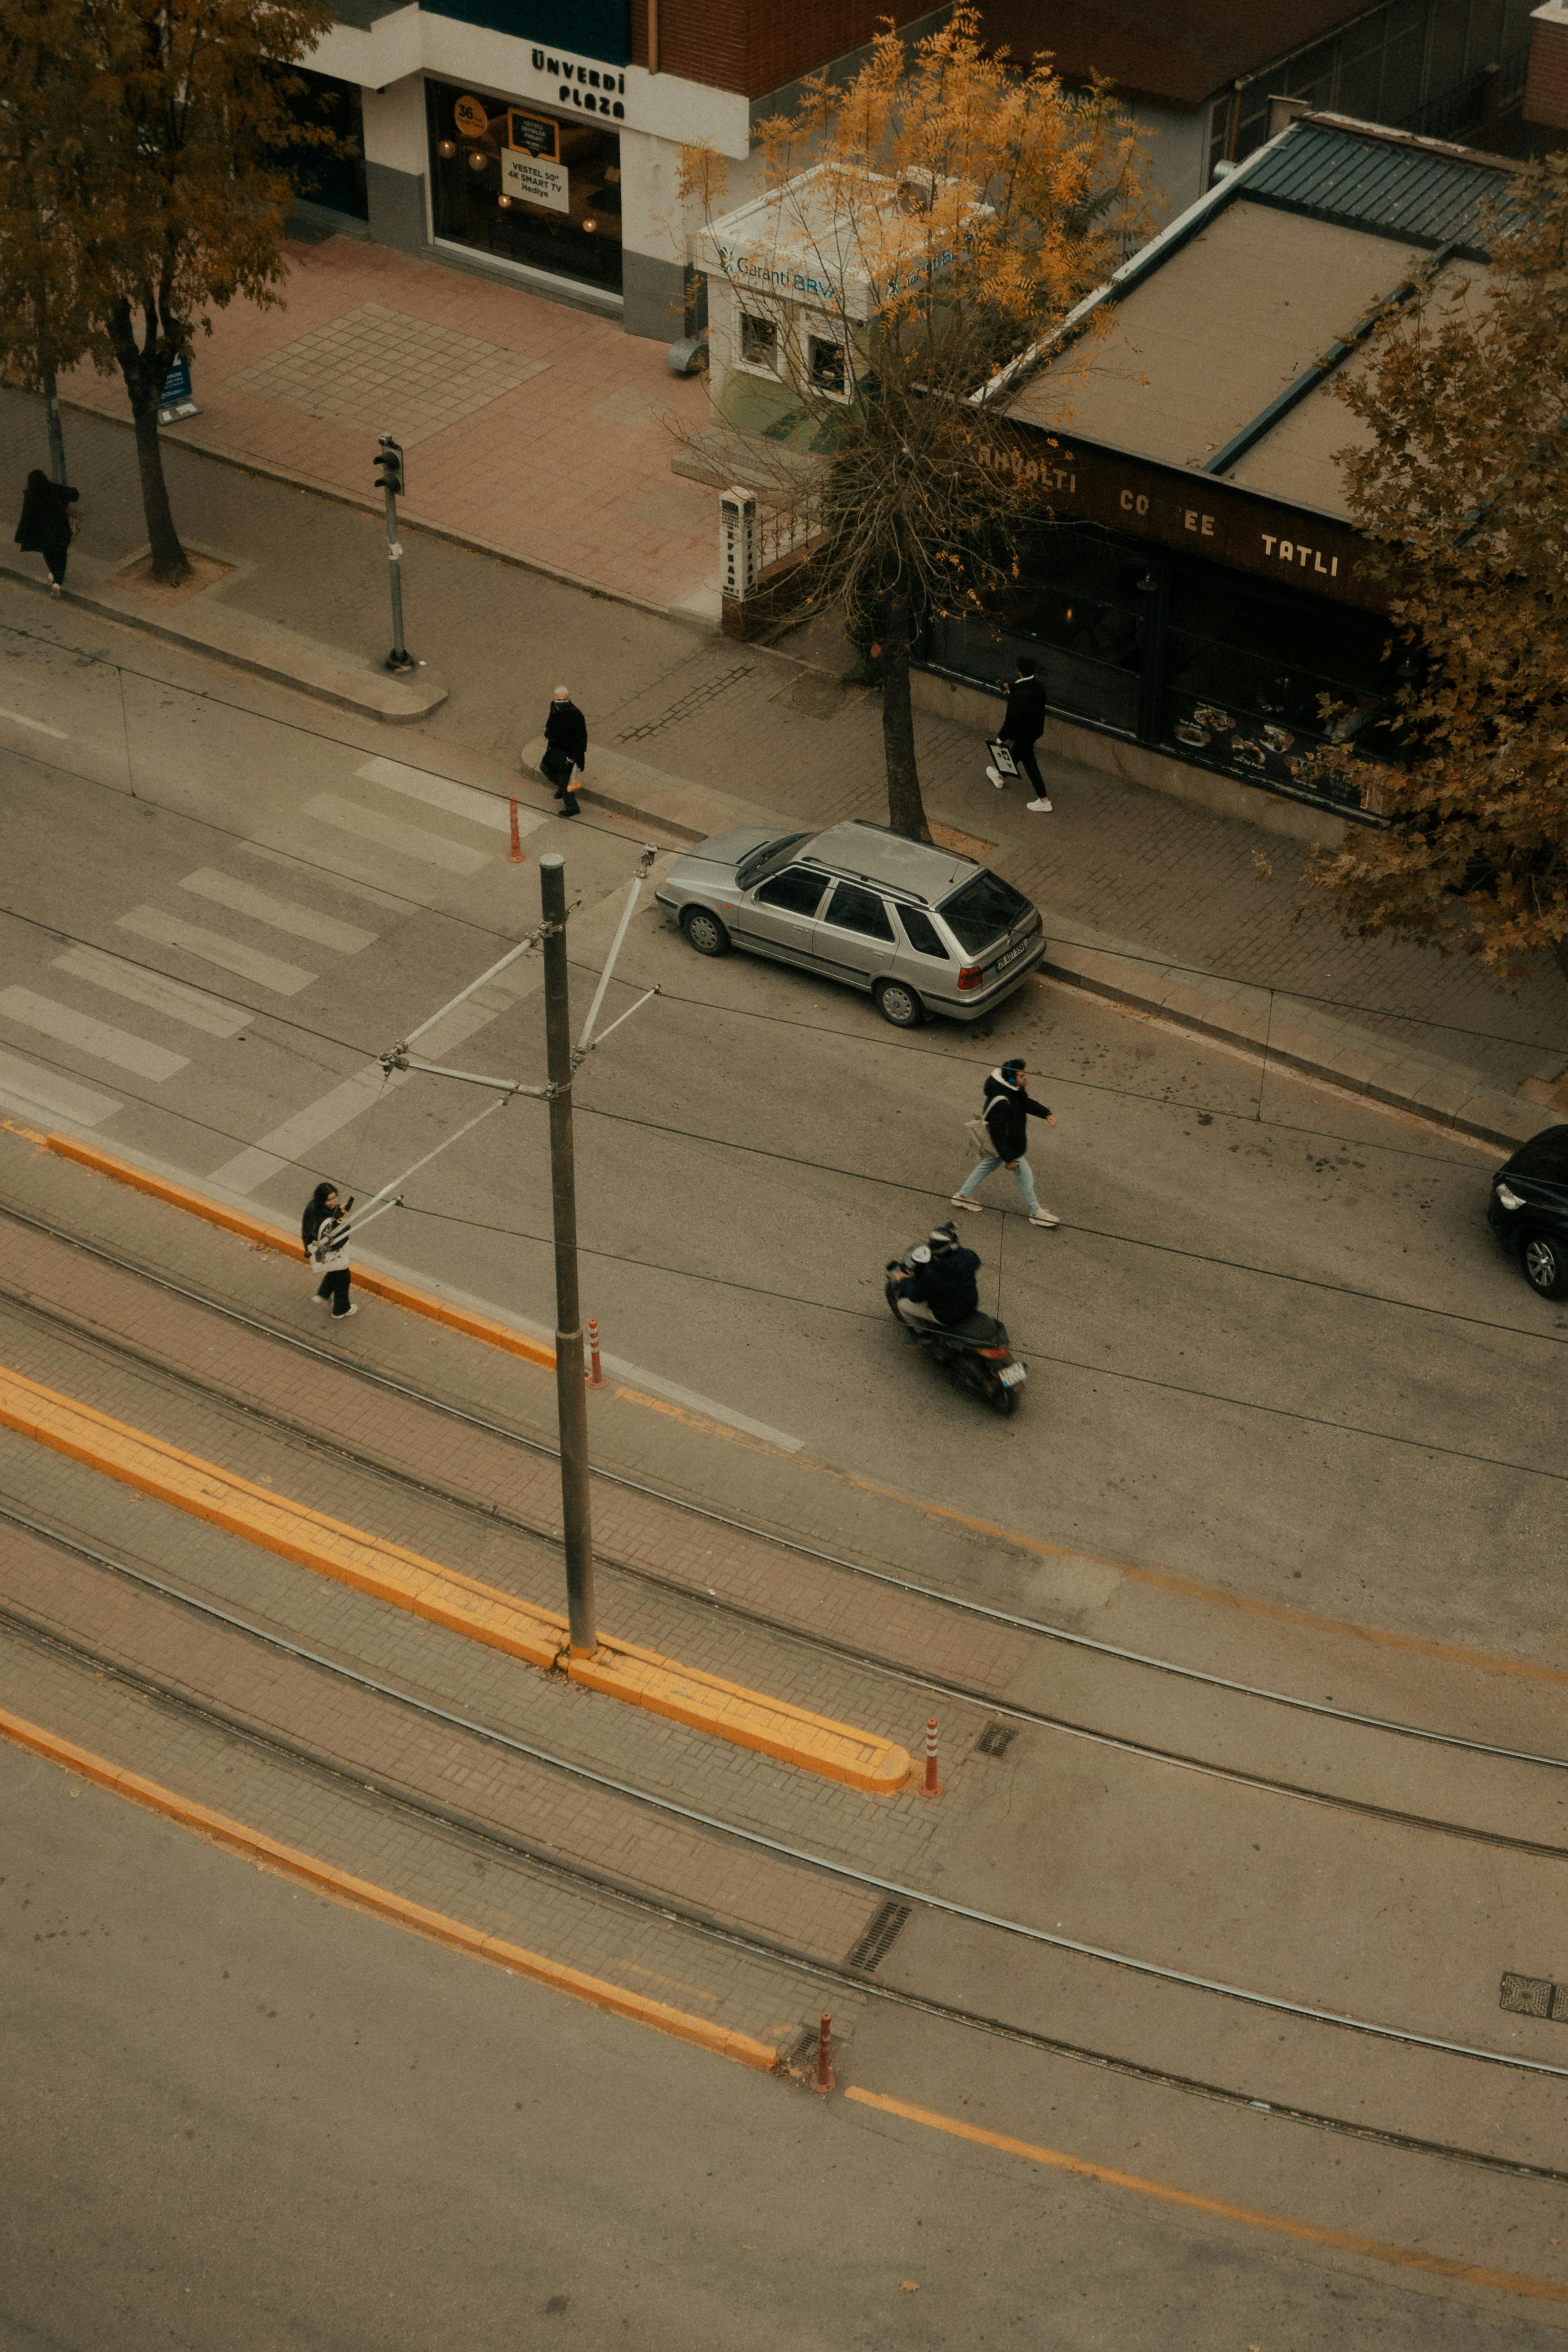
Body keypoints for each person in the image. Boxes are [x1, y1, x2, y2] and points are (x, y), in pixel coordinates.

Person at [952, 1059, 1060, 1227]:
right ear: (1012, 1079)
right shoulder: (1002, 1103)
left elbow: (1025, 1103)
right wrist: (1009, 1159)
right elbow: (998, 1135)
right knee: (1026, 1178)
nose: (1026, 1078)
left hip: (1005, 1146)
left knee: (987, 1166)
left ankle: (962, 1197)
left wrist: (1046, 1114)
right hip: (1007, 1146)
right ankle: (1036, 1213)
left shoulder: (1014, 1090)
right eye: (1022, 1075)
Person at [986, 656, 1053, 814]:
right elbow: (1027, 689)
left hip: (1023, 733)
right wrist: (1012, 688)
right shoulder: (1039, 687)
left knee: (1030, 764)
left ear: (1019, 673)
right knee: (1023, 756)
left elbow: (1011, 720)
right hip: (1035, 731)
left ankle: (1044, 800)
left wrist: (1000, 739)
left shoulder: (1020, 695)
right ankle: (1000, 777)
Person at [895, 1224, 982, 1327]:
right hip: (971, 1304)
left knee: (902, 1305)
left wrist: (904, 1281)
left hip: (947, 1316)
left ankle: (921, 1335)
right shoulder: (967, 1256)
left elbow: (915, 1296)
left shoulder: (936, 1273)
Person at [14, 468, 79, 597]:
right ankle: (57, 582)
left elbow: (26, 517)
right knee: (62, 556)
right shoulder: (52, 488)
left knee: (49, 556)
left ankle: (54, 575)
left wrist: (20, 536)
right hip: (60, 530)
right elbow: (74, 495)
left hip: (43, 535)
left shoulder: (31, 496)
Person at [302, 1180, 358, 1317]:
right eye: (329, 1200)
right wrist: (343, 1226)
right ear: (322, 1201)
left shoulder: (315, 1207)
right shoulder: (322, 1216)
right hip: (326, 1250)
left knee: (336, 1270)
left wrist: (339, 1212)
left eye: (335, 1198)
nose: (333, 1202)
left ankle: (324, 1293)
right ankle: (341, 1309)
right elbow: (335, 1240)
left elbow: (327, 1216)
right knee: (344, 1278)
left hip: (316, 1248)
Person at [541, 685, 588, 818]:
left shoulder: (576, 715)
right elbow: (551, 721)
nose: (561, 703)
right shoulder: (554, 707)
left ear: (568, 699)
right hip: (555, 748)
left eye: (564, 700)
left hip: (569, 752)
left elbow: (582, 738)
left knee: (563, 778)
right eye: (559, 700)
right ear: (555, 699)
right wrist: (548, 733)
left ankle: (572, 806)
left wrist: (575, 757)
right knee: (544, 767)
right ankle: (563, 789)